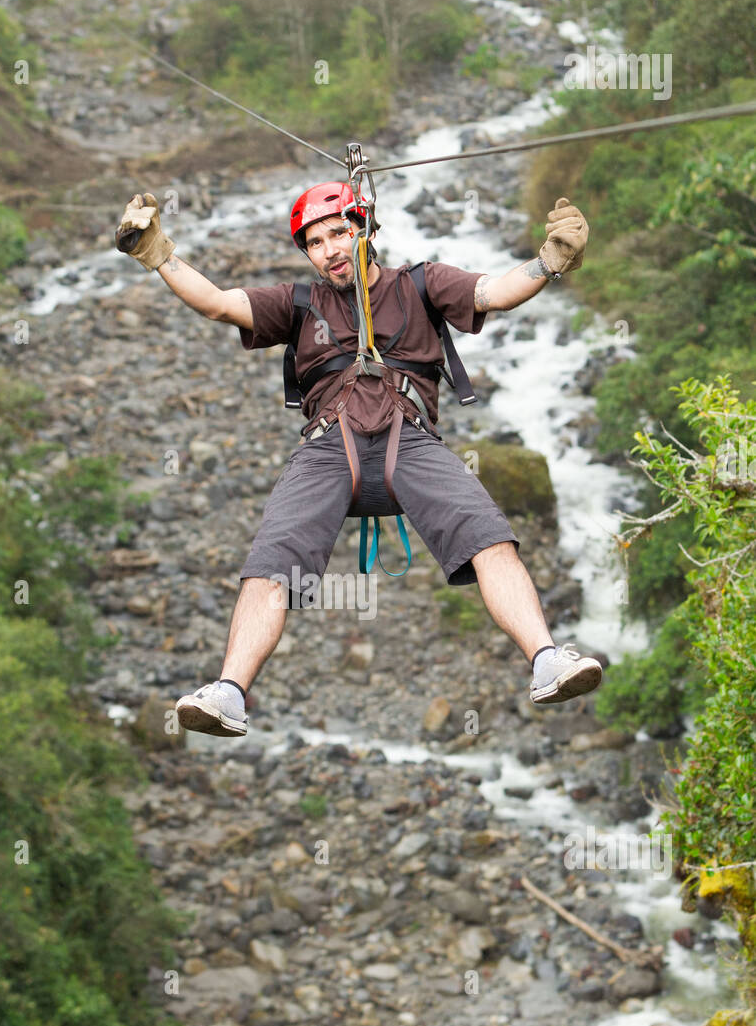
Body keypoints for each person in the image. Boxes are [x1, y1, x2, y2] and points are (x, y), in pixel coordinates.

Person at [115, 183, 602, 738]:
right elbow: (217, 302)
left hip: (410, 440)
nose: (329, 249)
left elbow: (496, 292)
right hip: (328, 446)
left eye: (339, 233)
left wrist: (550, 262)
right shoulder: (299, 303)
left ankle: (545, 660)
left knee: (487, 536)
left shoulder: (421, 284)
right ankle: (228, 691)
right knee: (272, 558)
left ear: (364, 229)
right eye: (316, 242)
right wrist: (157, 253)